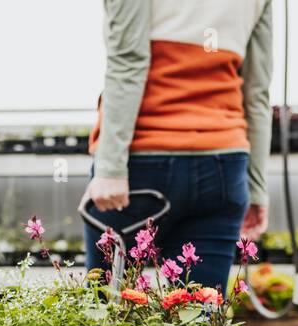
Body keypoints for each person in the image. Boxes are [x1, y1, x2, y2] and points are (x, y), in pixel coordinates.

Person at [82, 0, 273, 291]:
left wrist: (109, 167)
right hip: (222, 165)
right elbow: (257, 92)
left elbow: (128, 58)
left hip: (143, 159)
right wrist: (256, 188)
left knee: (106, 317)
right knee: (198, 321)